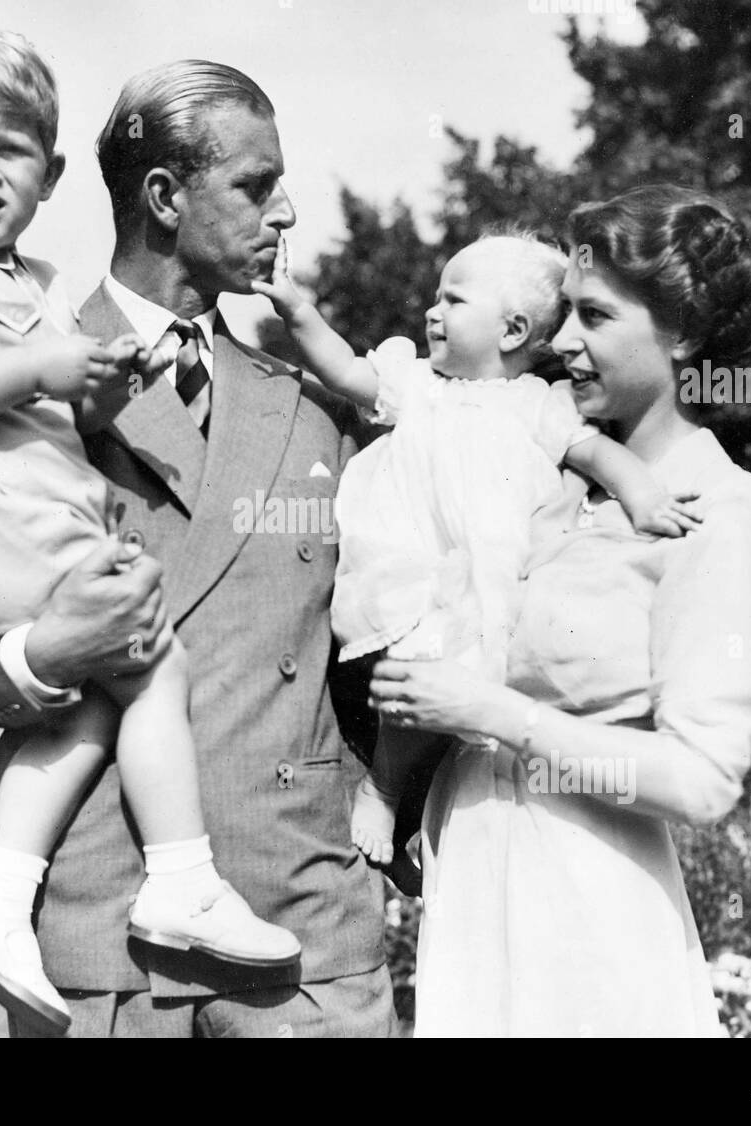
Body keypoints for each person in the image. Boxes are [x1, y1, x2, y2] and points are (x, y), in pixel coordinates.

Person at [0, 58, 395, 1038]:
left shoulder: (312, 410)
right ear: (164, 196)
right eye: (258, 184)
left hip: (300, 942)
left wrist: (385, 807)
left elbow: (393, 631)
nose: (286, 211)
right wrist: (40, 656)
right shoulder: (6, 376)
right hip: (100, 943)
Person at [367, 185, 751, 1036]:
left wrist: (494, 712)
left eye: (594, 318)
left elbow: (700, 778)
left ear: (682, 334)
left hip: (592, 922)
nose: (562, 342)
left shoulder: (724, 513)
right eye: (563, 312)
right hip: (475, 899)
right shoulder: (543, 487)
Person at [254, 230, 702, 866]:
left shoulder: (536, 406)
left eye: (454, 300)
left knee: (463, 692)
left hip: (488, 579)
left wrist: (644, 494)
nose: (432, 311)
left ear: (513, 330)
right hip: (410, 566)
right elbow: (347, 371)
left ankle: (417, 815)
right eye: (436, 297)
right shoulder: (416, 384)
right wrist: (296, 308)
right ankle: (383, 787)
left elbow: (597, 453)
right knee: (412, 679)